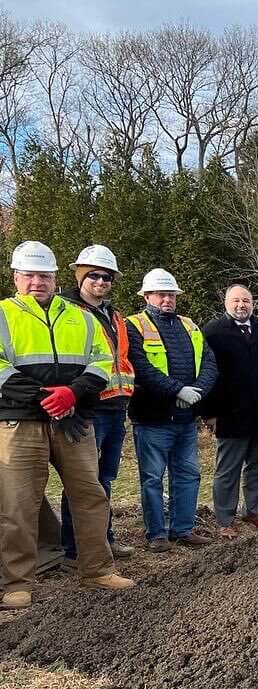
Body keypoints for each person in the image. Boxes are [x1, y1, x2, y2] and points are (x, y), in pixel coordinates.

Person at [0, 240, 134, 609]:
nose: (37, 282)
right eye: (29, 275)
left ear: (55, 276)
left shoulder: (80, 316)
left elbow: (103, 360)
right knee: (18, 504)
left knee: (90, 495)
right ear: (16, 277)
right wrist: (45, 396)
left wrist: (73, 394)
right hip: (20, 420)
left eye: (44, 275)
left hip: (74, 418)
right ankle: (17, 583)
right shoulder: (3, 314)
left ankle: (97, 569)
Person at [126, 268, 218, 551]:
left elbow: (209, 363)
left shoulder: (189, 325)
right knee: (153, 478)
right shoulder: (134, 326)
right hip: (152, 418)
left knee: (188, 474)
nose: (167, 299)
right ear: (147, 296)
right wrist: (177, 390)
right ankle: (156, 534)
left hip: (185, 418)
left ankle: (182, 529)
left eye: (171, 295)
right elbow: (140, 368)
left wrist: (195, 393)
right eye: (160, 294)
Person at [59, 245, 136, 563]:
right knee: (82, 480)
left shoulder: (114, 315)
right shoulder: (66, 312)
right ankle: (72, 547)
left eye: (107, 277)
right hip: (87, 408)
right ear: (80, 276)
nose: (101, 282)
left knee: (105, 479)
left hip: (115, 406)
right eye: (94, 275)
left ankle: (103, 538)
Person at [200, 285, 258, 538]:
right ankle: (225, 519)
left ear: (252, 304)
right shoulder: (213, 332)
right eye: (235, 301)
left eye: (245, 301)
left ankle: (253, 511)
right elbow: (205, 374)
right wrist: (208, 413)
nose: (241, 305)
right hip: (228, 414)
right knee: (228, 470)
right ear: (226, 303)